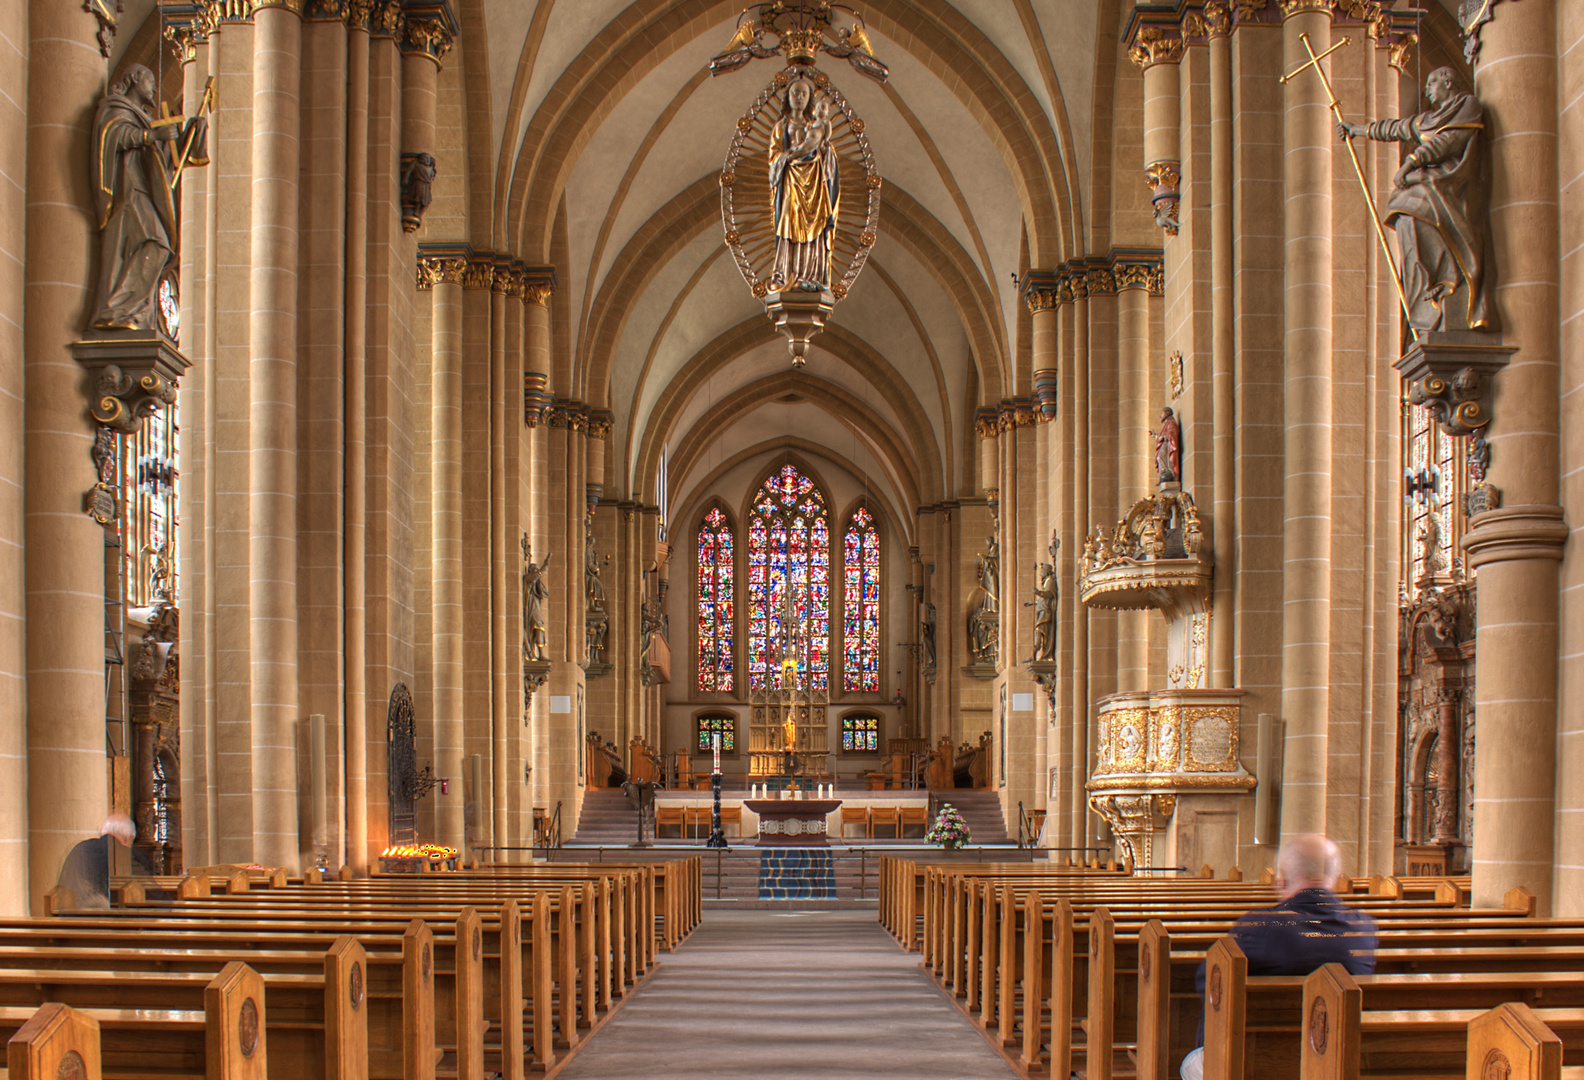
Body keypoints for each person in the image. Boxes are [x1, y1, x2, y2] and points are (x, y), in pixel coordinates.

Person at [1179, 835, 1378, 1080]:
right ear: (1337, 879)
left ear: (1280, 879)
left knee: (1191, 1064)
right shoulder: (1363, 928)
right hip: (1338, 1060)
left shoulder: (1260, 926)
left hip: (1257, 1061)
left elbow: (1211, 983)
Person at [1337, 66, 1497, 332]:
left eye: (1432, 82)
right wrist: (1358, 130)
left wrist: (1410, 164)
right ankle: (1428, 282)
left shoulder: (1466, 105)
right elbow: (1396, 128)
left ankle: (1450, 278)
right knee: (1403, 210)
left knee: (1413, 201)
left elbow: (1448, 142)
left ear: (1448, 81)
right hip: (1429, 183)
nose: (1427, 89)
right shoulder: (1429, 118)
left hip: (1451, 185)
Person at [56, 813, 151, 910]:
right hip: (113, 919)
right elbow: (151, 892)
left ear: (102, 832)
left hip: (74, 917)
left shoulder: (79, 850)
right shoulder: (128, 857)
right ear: (128, 838)